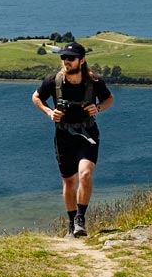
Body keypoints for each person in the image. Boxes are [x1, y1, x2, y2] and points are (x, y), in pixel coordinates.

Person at [33, 40, 112, 237]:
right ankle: (71, 224)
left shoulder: (94, 82)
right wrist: (49, 112)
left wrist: (99, 108)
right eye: (63, 57)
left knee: (85, 175)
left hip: (88, 134)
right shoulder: (53, 81)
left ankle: (80, 219)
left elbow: (109, 98)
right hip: (63, 136)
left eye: (70, 58)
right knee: (69, 182)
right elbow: (36, 97)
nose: (66, 61)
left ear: (82, 61)